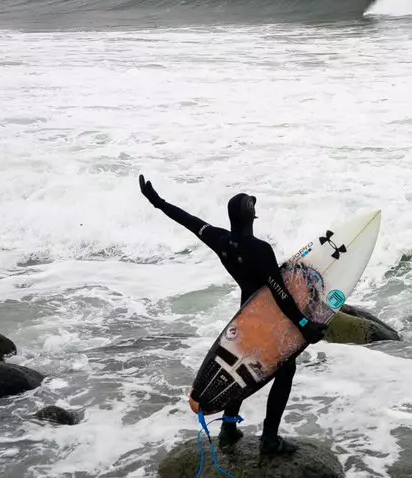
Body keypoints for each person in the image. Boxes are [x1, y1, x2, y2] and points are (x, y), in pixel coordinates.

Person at [138, 174, 326, 456]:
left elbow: (189, 221)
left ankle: (228, 427)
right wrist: (304, 325)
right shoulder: (261, 250)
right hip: (269, 318)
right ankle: (270, 439)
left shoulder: (220, 240)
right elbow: (279, 294)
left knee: (241, 369)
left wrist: (158, 202)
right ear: (252, 217)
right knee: (285, 370)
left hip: (244, 314)